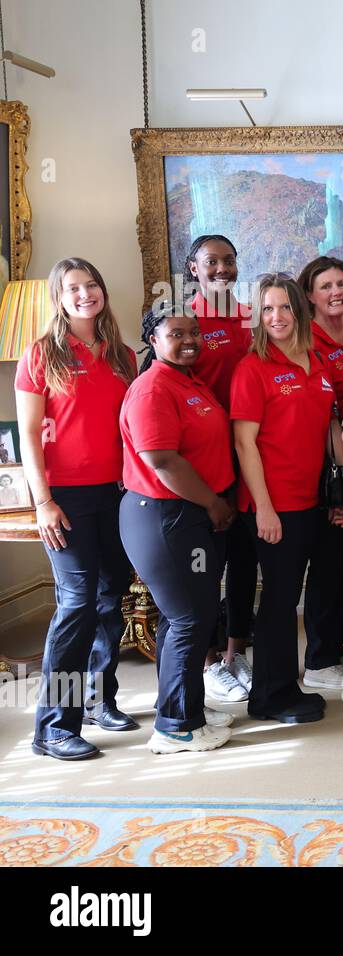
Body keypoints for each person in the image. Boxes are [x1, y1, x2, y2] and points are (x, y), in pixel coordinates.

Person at [17, 258, 137, 760]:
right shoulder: (42, 354)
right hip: (64, 499)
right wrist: (42, 502)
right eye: (73, 288)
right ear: (59, 298)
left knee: (112, 598)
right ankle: (53, 726)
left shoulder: (125, 356)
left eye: (92, 284)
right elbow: (28, 435)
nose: (85, 294)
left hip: (117, 494)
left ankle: (98, 698)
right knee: (77, 604)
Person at [230, 274, 343, 724]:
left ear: (300, 312)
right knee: (281, 599)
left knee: (295, 598)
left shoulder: (317, 361)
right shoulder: (253, 368)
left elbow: (331, 427)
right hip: (274, 503)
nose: (277, 317)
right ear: (258, 316)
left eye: (285, 307)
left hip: (312, 499)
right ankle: (270, 697)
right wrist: (263, 507)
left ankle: (288, 686)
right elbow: (245, 444)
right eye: (267, 309)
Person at [119, 305, 237, 753]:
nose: (189, 340)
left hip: (191, 515)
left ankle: (186, 707)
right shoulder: (151, 390)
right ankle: (174, 727)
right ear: (153, 339)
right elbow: (162, 460)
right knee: (189, 618)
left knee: (184, 618)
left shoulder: (187, 379)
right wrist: (212, 503)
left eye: (195, 332)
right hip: (167, 516)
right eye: (176, 333)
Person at [186, 235, 258, 704]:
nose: (222, 269)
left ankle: (237, 652)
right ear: (194, 268)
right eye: (211, 262)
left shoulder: (252, 318)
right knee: (205, 564)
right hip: (203, 462)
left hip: (248, 455)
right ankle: (210, 660)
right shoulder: (184, 321)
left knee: (244, 558)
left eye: (229, 261)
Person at [298, 256, 343, 690]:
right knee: (328, 564)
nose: (336, 292)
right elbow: (326, 414)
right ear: (309, 294)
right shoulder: (308, 342)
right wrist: (342, 485)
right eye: (325, 286)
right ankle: (320, 661)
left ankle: (334, 648)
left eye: (342, 284)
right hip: (330, 469)